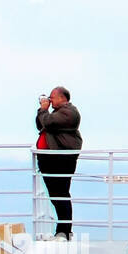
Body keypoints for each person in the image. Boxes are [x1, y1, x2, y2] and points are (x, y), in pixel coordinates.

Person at [35, 86, 83, 240]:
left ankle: (65, 232)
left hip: (61, 160)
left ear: (63, 98)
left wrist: (44, 110)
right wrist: (42, 111)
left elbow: (47, 122)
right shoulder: (56, 114)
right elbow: (41, 124)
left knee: (61, 195)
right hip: (50, 160)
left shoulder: (70, 113)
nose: (49, 100)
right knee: (56, 196)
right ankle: (61, 231)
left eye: (52, 97)